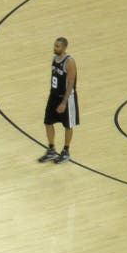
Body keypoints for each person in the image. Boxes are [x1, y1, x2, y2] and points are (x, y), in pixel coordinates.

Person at [37, 37, 78, 165]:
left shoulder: (69, 62)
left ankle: (66, 151)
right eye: (55, 46)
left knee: (68, 125)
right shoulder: (55, 59)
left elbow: (71, 82)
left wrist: (64, 102)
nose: (55, 48)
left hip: (66, 97)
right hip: (53, 96)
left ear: (65, 47)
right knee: (47, 122)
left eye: (58, 46)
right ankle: (51, 149)